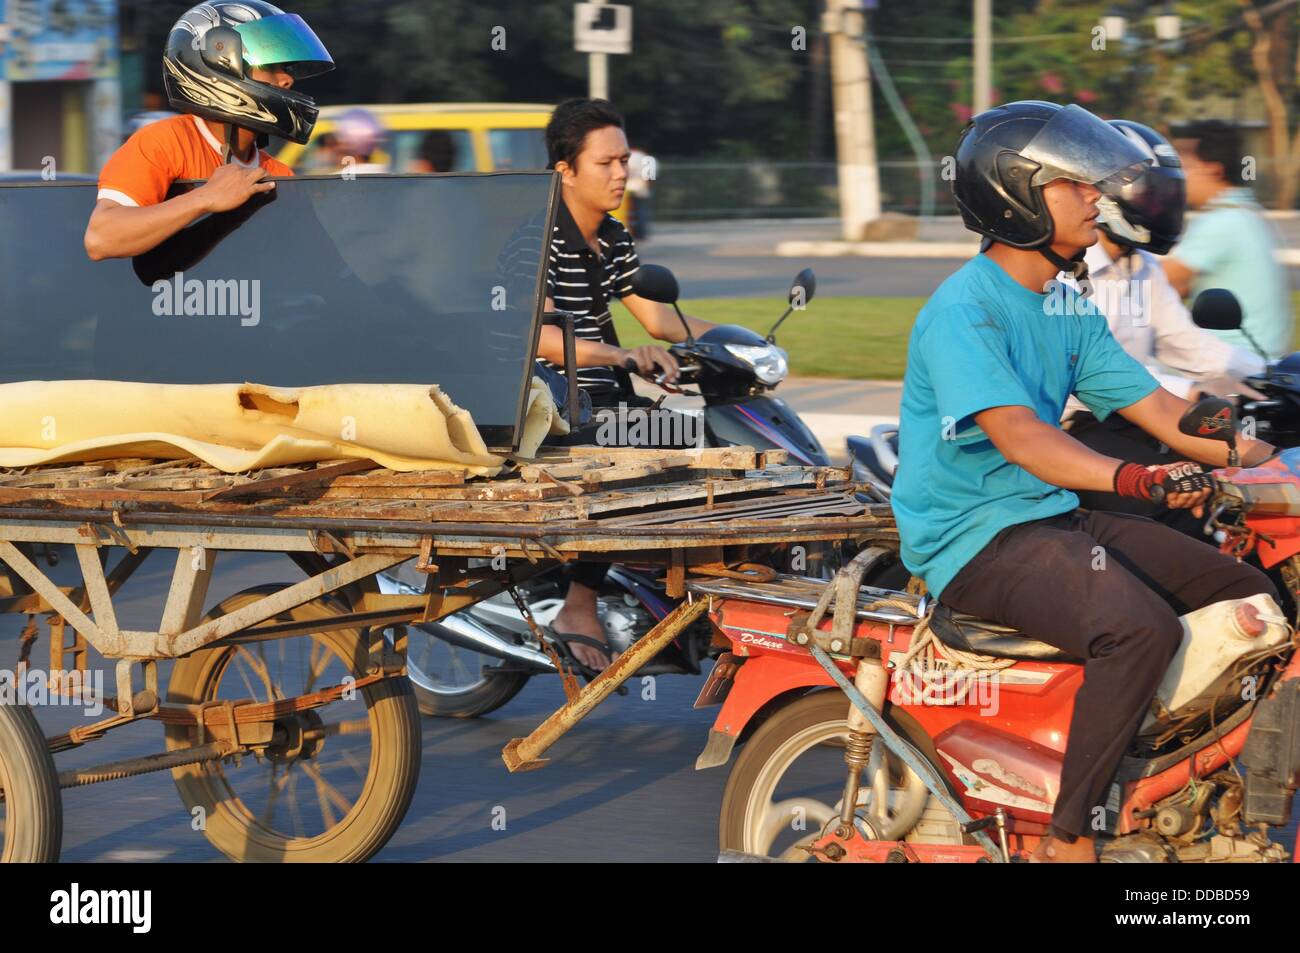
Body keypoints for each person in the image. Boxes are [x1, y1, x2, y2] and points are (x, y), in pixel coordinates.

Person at [891, 101, 1278, 863]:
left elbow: (1162, 407)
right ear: (1019, 192)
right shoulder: (963, 311)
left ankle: (1168, 777)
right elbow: (1023, 437)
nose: (1099, 199)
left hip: (1050, 518)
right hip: (975, 538)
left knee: (1245, 594)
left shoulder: (1065, 304)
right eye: (1079, 186)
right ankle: (1069, 837)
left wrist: (1247, 446)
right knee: (1139, 627)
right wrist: (1138, 479)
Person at [538, 98, 715, 671]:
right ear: (565, 168)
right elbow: (538, 337)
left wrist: (742, 342)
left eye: (624, 161)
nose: (621, 174)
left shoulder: (610, 235)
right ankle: (578, 603)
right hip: (551, 404)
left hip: (605, 393)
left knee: (702, 435)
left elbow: (660, 320)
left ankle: (684, 584)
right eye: (605, 163)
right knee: (655, 444)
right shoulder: (536, 234)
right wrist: (621, 354)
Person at [1060, 119, 1265, 531]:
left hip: (1142, 416)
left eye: (1166, 194)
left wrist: (1270, 375)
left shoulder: (1140, 264)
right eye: (1151, 194)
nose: (1162, 206)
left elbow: (1190, 346)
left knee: (1251, 485)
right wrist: (1189, 392)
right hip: (1071, 429)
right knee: (1186, 501)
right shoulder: (1067, 275)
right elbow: (1091, 373)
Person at [84, 1, 333, 261]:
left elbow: (320, 263)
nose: (286, 79)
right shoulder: (164, 143)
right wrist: (205, 197)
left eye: (287, 68)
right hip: (169, 298)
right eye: (271, 66)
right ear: (221, 62)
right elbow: (101, 239)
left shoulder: (279, 175)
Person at [1162, 119, 1292, 359]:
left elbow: (1155, 282)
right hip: (1256, 356)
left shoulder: (1222, 222)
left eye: (1185, 166)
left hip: (1235, 363)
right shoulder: (1245, 211)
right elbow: (1181, 287)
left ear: (1213, 169)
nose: (1177, 177)